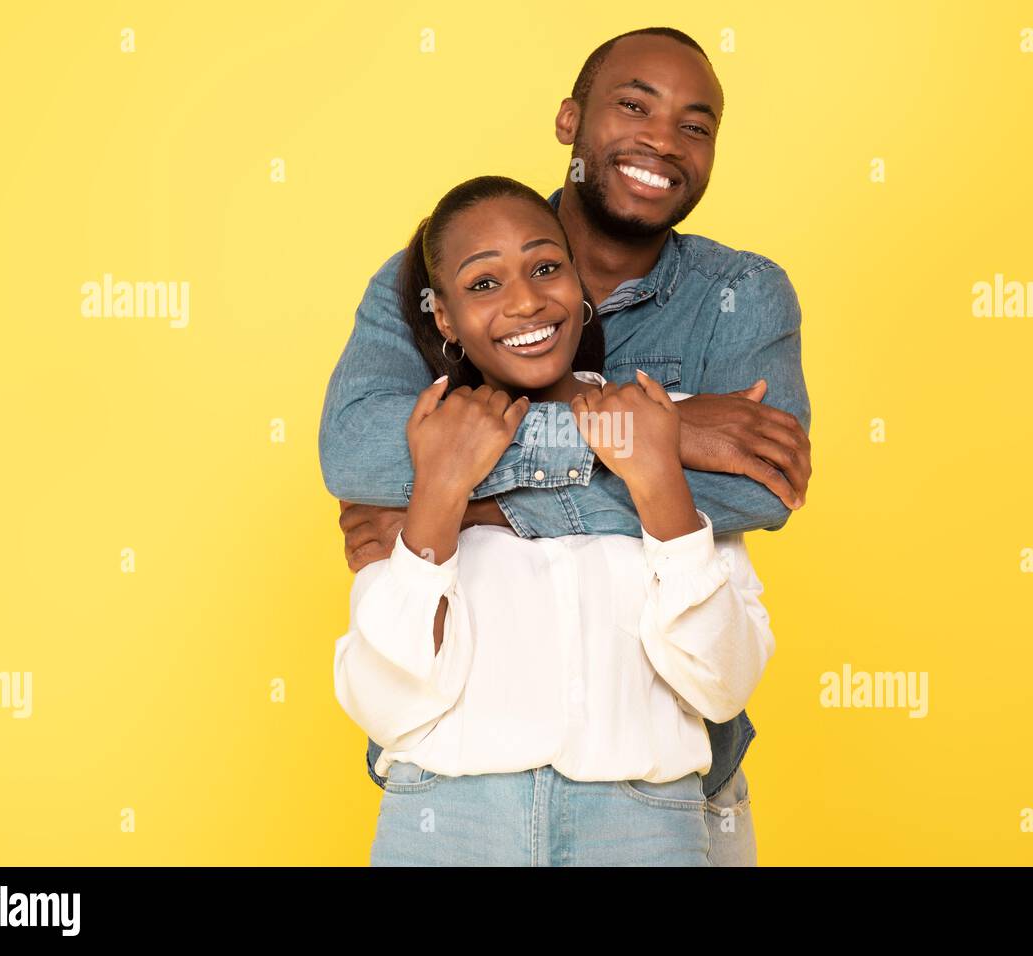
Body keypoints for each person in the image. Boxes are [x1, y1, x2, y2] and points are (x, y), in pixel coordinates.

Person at [320, 27, 812, 866]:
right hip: (452, 794)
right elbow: (358, 453)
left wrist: (466, 501)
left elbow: (758, 489)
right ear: (570, 121)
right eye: (635, 106)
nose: (663, 141)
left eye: (696, 125)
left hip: (666, 790)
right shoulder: (430, 265)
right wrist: (661, 434)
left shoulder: (740, 294)